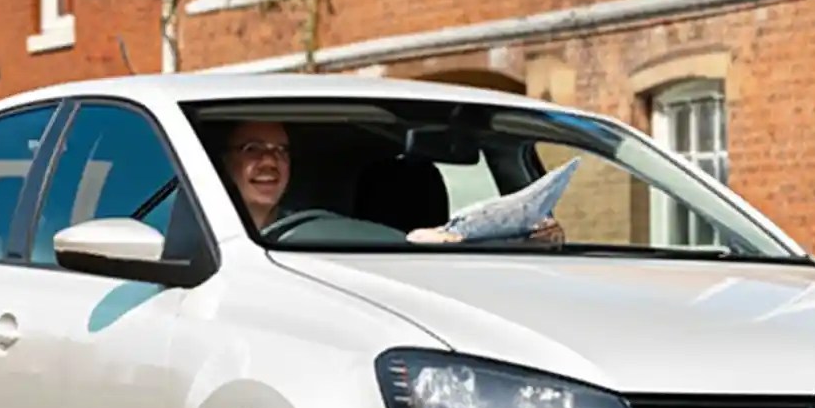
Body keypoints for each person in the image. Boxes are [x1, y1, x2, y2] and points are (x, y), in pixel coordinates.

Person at [219, 119, 565, 244]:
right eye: (253, 149)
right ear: (224, 161)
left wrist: (528, 240)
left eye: (281, 151)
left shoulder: (326, 239)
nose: (270, 161)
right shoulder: (187, 232)